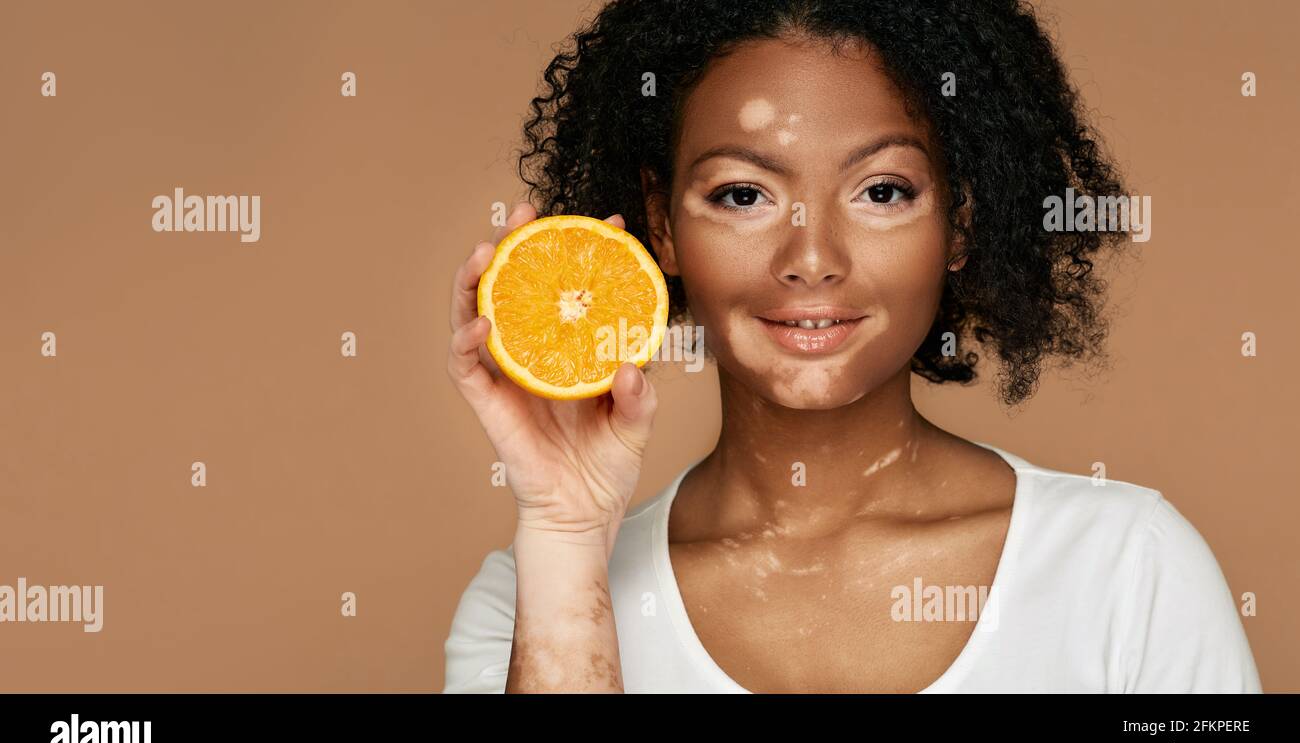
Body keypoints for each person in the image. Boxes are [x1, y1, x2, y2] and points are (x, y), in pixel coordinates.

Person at [443, 0, 1261, 693]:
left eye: (881, 191)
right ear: (662, 225)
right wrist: (565, 533)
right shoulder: (528, 594)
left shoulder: (1130, 570)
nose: (811, 259)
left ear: (961, 221)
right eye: (742, 194)